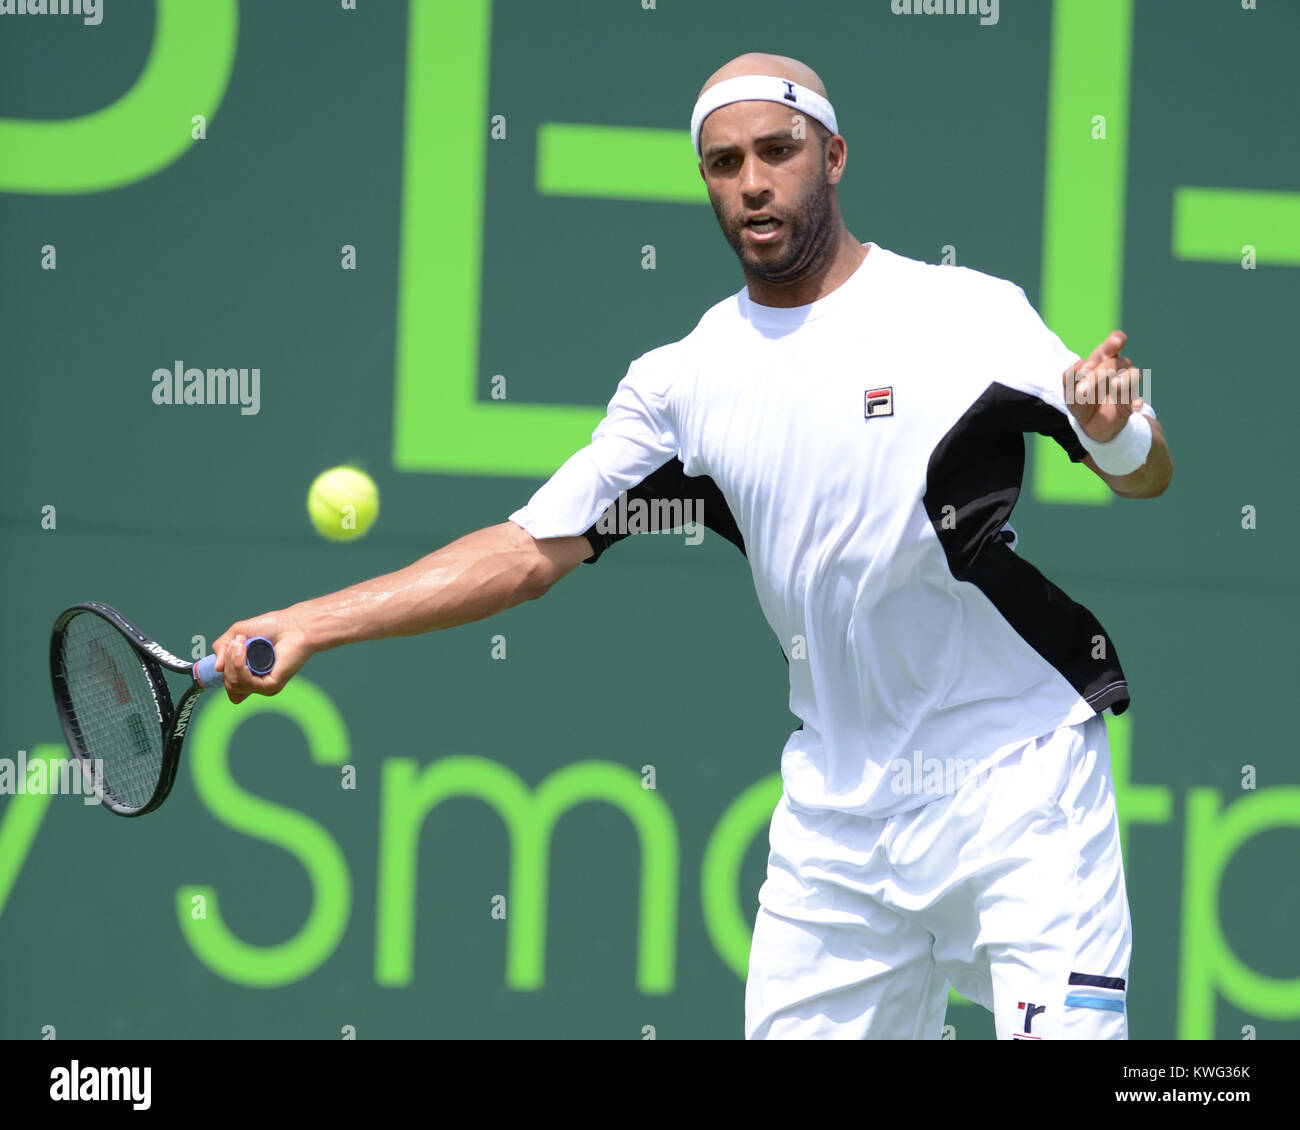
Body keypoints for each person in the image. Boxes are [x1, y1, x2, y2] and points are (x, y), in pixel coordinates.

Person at [214, 52, 1173, 1040]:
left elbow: (1142, 472)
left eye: (776, 151)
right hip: (837, 828)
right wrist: (308, 624)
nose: (752, 180)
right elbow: (524, 552)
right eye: (723, 162)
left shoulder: (962, 313)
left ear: (832, 156)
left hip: (1016, 775)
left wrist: (1112, 431)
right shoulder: (683, 383)